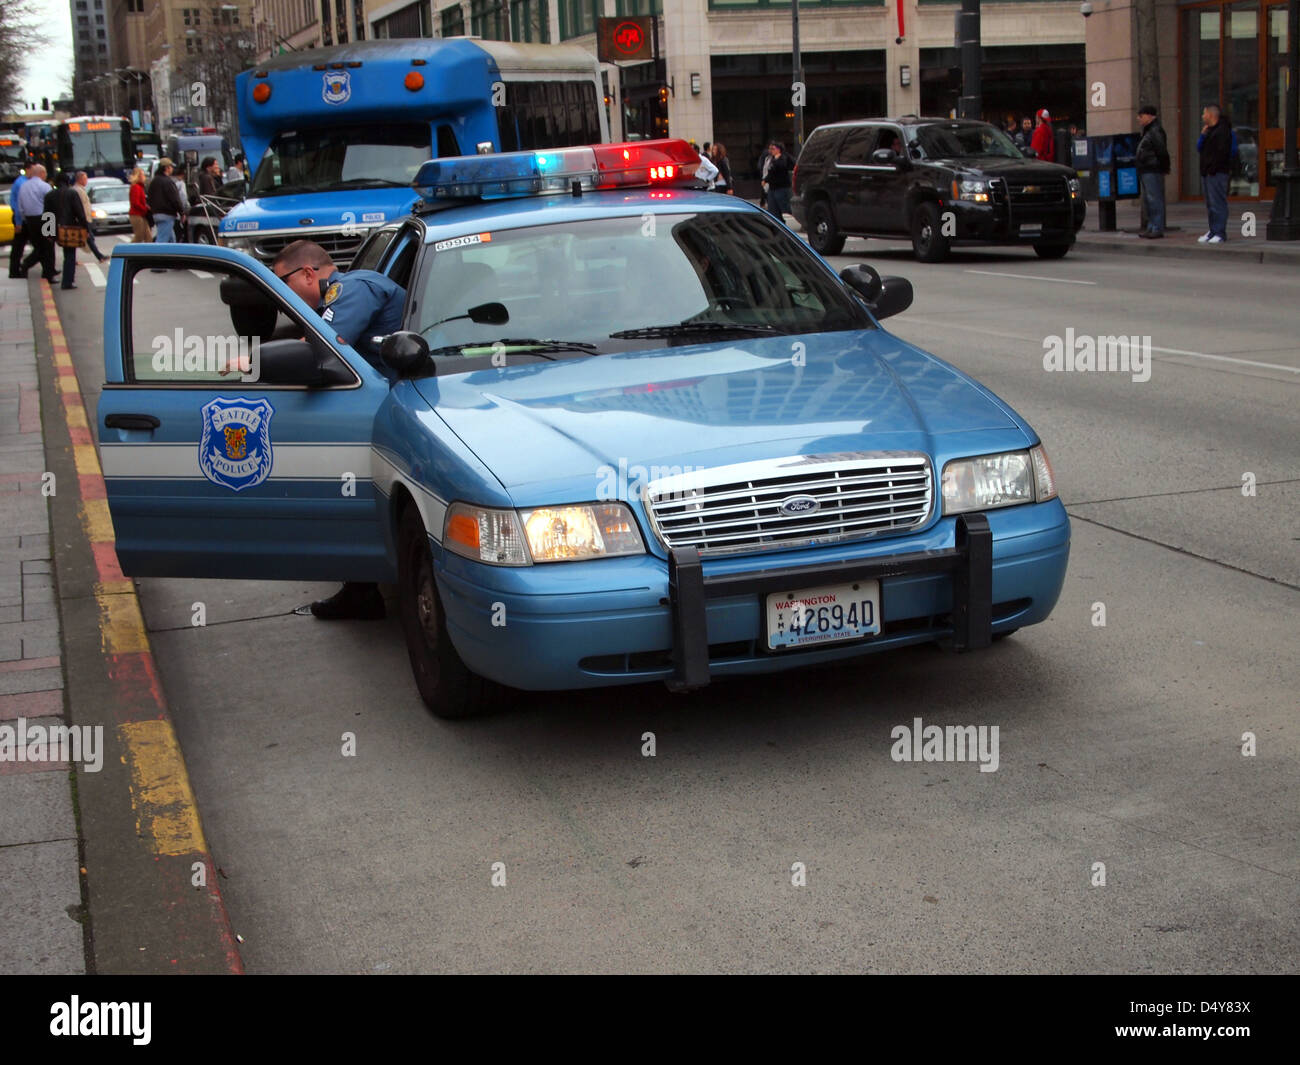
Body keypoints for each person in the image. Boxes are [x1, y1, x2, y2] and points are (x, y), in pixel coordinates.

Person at [270, 239, 406, 620]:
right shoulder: (342, 296)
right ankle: (360, 587)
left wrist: (252, 361)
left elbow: (323, 348)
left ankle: (362, 591)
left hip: (399, 412)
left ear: (309, 273)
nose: (282, 294)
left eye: (283, 282)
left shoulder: (352, 288)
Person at [1197, 104, 1233, 243]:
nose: (1202, 116)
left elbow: (1222, 153)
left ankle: (1219, 232)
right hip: (1207, 172)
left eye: (1204, 113)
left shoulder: (1223, 131)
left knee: (1217, 202)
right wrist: (1203, 135)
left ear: (1211, 115)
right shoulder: (1209, 131)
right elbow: (1199, 148)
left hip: (1217, 172)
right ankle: (1212, 230)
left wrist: (1212, 168)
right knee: (1210, 204)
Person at [17, 164, 58, 282]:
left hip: (30, 219)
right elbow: (52, 204)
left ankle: (42, 269)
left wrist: (25, 218)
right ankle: (47, 273)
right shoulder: (45, 187)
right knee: (48, 246)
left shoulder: (23, 187)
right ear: (41, 173)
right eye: (45, 173)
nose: (45, 176)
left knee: (38, 246)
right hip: (46, 218)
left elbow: (20, 207)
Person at [1135, 105, 1170, 239]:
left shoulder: (1155, 131)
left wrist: (1164, 167)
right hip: (1146, 169)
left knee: (1154, 199)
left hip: (1152, 169)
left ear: (1150, 116)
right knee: (1149, 200)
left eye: (1141, 115)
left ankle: (1156, 227)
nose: (1139, 118)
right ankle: (1151, 226)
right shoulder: (1149, 131)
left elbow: (1161, 151)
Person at [53, 172, 90, 289]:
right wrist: (85, 227)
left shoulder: (49, 195)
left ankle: (53, 275)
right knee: (70, 255)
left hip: (56, 228)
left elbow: (47, 214)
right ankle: (68, 281)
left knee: (61, 254)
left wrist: (48, 233)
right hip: (70, 228)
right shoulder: (72, 193)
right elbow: (80, 213)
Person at [146, 158, 184, 242]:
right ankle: (157, 254)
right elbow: (175, 199)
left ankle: (173, 254)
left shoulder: (154, 181)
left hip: (156, 214)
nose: (172, 169)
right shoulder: (168, 182)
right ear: (166, 168)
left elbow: (149, 198)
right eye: (171, 167)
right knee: (162, 239)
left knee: (171, 239)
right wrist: (181, 212)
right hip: (167, 214)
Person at [74, 171, 108, 263]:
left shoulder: (81, 189)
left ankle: (99, 256)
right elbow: (80, 206)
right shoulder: (78, 191)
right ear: (80, 179)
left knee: (87, 239)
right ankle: (100, 256)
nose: (86, 181)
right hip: (83, 219)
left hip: (85, 218)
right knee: (87, 238)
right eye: (85, 178)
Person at [8, 162, 31, 278]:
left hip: (24, 219)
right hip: (22, 219)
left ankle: (17, 269)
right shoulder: (22, 183)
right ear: (27, 169)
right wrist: (18, 223)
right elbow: (18, 205)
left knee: (19, 245)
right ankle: (16, 269)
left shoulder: (24, 182)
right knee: (19, 246)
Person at [762, 141, 793, 223]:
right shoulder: (770, 158)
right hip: (772, 187)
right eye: (770, 149)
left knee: (785, 207)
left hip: (781, 187)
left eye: (773, 149)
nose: (771, 151)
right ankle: (778, 224)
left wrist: (777, 159)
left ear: (779, 150)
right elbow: (770, 171)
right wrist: (765, 180)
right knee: (773, 209)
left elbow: (780, 167)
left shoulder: (783, 158)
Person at [128, 166, 152, 242]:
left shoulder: (140, 187)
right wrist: (145, 208)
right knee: (139, 236)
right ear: (138, 176)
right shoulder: (136, 187)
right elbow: (136, 203)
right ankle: (128, 251)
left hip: (141, 215)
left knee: (148, 236)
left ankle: (149, 252)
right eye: (142, 175)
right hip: (136, 215)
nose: (144, 177)